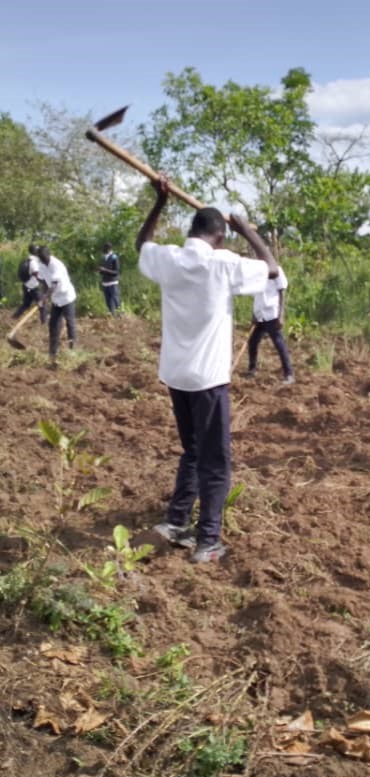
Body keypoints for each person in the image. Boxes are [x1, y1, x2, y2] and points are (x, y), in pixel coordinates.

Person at [137, 176, 280, 564]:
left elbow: (141, 246)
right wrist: (248, 230)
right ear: (219, 236)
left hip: (176, 375)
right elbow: (271, 268)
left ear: (191, 231)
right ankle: (208, 541)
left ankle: (175, 521)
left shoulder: (168, 258)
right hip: (207, 379)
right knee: (216, 461)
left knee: (193, 451)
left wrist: (159, 203)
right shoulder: (224, 264)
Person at [246, 264, 294, 384]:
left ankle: (289, 374)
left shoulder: (276, 270)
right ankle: (252, 369)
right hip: (259, 315)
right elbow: (256, 294)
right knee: (252, 342)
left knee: (279, 344)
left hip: (272, 313)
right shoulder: (256, 271)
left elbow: (282, 290)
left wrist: (281, 314)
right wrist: (254, 314)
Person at [36, 246, 77, 361]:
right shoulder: (42, 266)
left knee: (70, 322)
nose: (42, 260)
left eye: (43, 257)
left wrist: (45, 297)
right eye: (40, 258)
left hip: (66, 297)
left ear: (48, 255)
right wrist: (43, 295)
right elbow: (44, 282)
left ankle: (72, 350)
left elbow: (54, 285)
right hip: (56, 299)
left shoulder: (57, 265)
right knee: (53, 324)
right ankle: (52, 352)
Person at [13, 243, 47, 324]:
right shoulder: (34, 262)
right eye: (37, 250)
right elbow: (36, 274)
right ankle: (44, 323)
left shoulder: (27, 259)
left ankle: (14, 317)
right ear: (35, 251)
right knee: (43, 305)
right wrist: (44, 283)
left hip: (26, 286)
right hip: (34, 287)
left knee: (26, 304)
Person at [97, 242, 121, 316]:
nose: (102, 250)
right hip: (105, 283)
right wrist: (100, 270)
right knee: (108, 301)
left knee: (116, 300)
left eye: (104, 248)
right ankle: (112, 316)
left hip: (113, 283)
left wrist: (104, 270)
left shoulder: (114, 257)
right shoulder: (104, 258)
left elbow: (116, 272)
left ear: (109, 249)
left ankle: (120, 315)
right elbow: (104, 271)